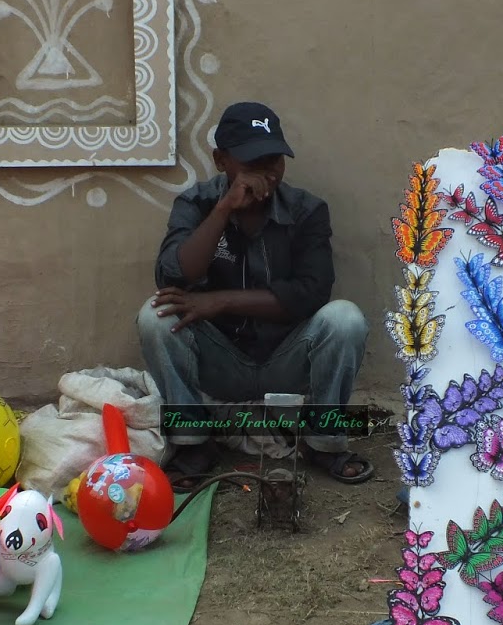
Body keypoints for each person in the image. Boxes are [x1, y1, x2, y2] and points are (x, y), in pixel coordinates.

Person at [137, 101, 373, 483]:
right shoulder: (196, 203)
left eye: (273, 160)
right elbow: (173, 275)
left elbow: (311, 293)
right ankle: (193, 443)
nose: (266, 172)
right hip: (221, 364)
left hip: (286, 360)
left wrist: (220, 300)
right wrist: (223, 210)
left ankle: (323, 442)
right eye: (252, 161)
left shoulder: (307, 210)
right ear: (221, 160)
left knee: (345, 318)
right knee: (155, 315)